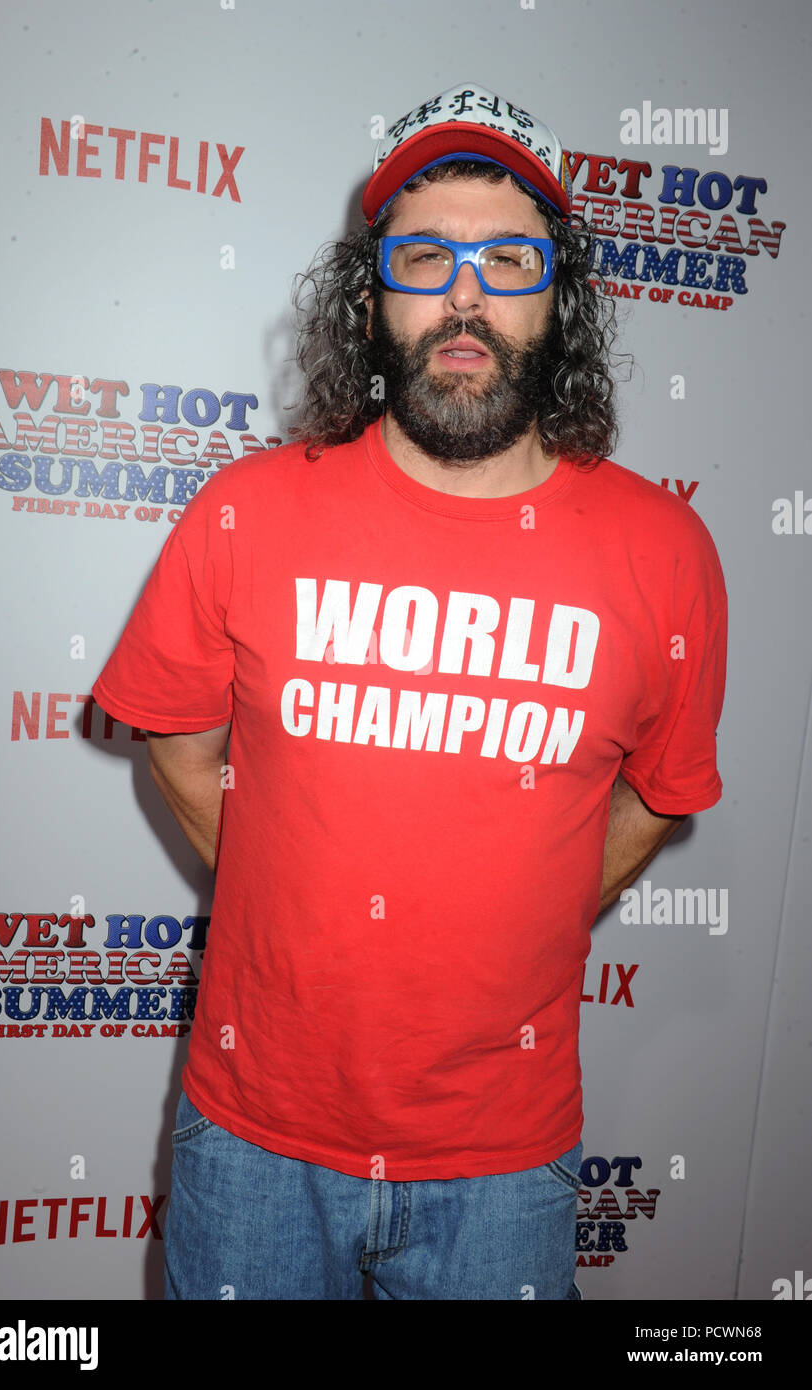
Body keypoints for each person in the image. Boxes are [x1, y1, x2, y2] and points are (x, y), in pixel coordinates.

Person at [92, 81, 727, 1301]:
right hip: (256, 1142)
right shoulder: (247, 513)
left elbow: (659, 794)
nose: (466, 295)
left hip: (504, 1163)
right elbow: (179, 744)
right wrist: (301, 896)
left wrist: (514, 921)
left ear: (562, 291)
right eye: (425, 255)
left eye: (509, 256)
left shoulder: (665, 551)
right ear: (372, 290)